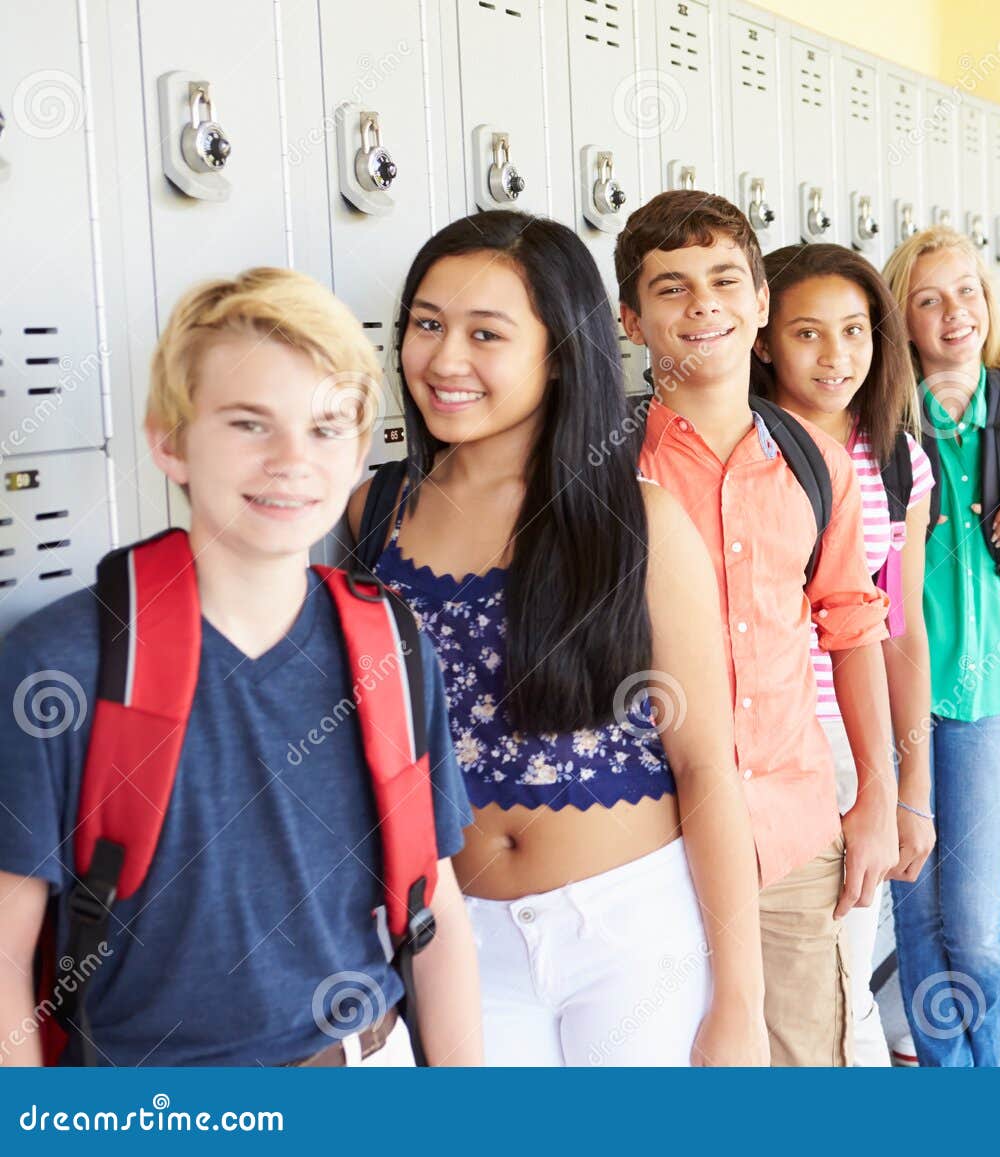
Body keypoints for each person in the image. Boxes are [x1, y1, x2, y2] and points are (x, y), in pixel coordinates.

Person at [0, 268, 481, 1066]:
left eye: (326, 428)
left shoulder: (388, 643)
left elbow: (437, 912)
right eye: (250, 424)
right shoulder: (63, 664)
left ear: (360, 448)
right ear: (169, 439)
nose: (292, 459)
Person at [348, 211, 766, 1066]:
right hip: (456, 940)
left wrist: (742, 1003)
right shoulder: (374, 513)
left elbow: (706, 768)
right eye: (427, 324)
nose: (444, 359)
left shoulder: (637, 520)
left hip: (629, 932)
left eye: (485, 333)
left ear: (560, 348)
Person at [618, 191, 898, 1067]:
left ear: (762, 303)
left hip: (791, 823)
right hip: (643, 831)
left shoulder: (817, 462)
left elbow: (853, 628)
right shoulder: (605, 466)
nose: (702, 304)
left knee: (802, 1061)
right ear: (631, 319)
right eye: (670, 288)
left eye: (724, 279)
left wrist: (882, 797)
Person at [883, 225, 1000, 1067]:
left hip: (982, 686)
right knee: (916, 910)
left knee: (972, 918)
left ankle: (983, 1072)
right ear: (904, 321)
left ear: (990, 300)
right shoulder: (884, 417)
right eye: (927, 299)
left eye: (965, 291)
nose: (952, 311)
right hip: (891, 689)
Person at [753, 242, 937, 1066]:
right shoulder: (744, 448)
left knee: (839, 982)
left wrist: (906, 788)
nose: (837, 357)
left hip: (845, 746)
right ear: (762, 337)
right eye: (808, 333)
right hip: (746, 743)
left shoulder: (897, 456)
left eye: (855, 331)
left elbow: (900, 629)